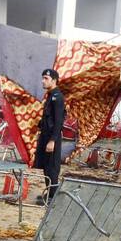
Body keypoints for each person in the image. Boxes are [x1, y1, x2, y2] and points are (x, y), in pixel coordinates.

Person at [34, 68, 66, 206]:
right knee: (46, 167)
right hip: (45, 136)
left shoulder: (57, 97)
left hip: (52, 138)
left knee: (52, 168)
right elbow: (49, 118)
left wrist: (52, 140)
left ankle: (53, 198)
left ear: (54, 80)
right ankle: (49, 193)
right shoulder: (50, 95)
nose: (43, 81)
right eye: (42, 78)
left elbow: (59, 121)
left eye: (46, 78)